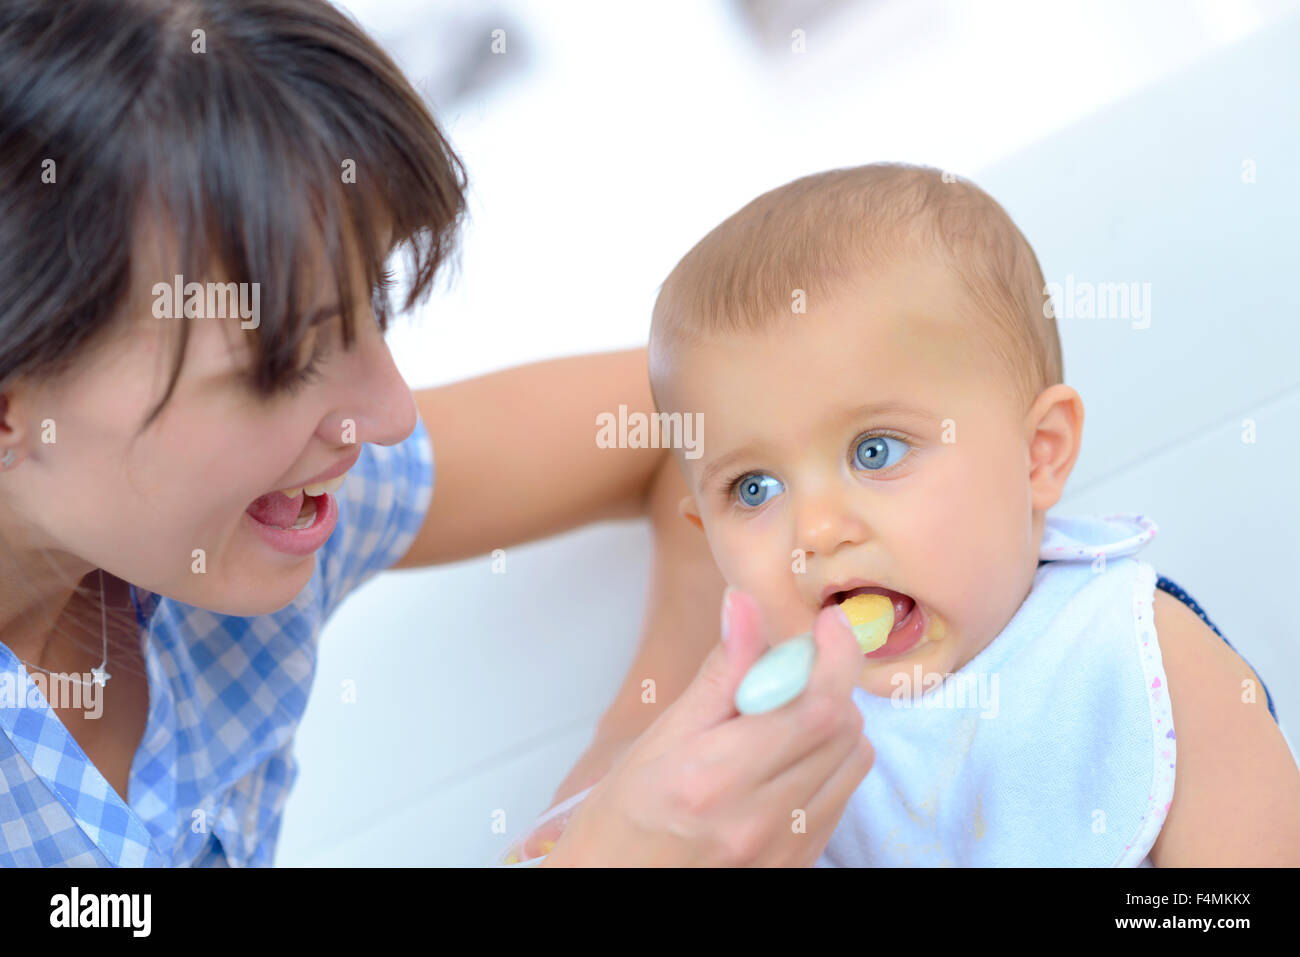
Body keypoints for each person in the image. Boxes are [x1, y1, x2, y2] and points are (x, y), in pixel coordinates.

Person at [0, 0, 870, 867]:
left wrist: (621, 781)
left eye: (372, 303)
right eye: (289, 358)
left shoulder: (238, 514)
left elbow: (705, 414)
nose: (390, 415)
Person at [641, 162, 1300, 864]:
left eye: (876, 450)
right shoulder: (770, 752)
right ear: (706, 537)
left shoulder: (1138, 658)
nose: (817, 529)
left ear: (1037, 455)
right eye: (754, 489)